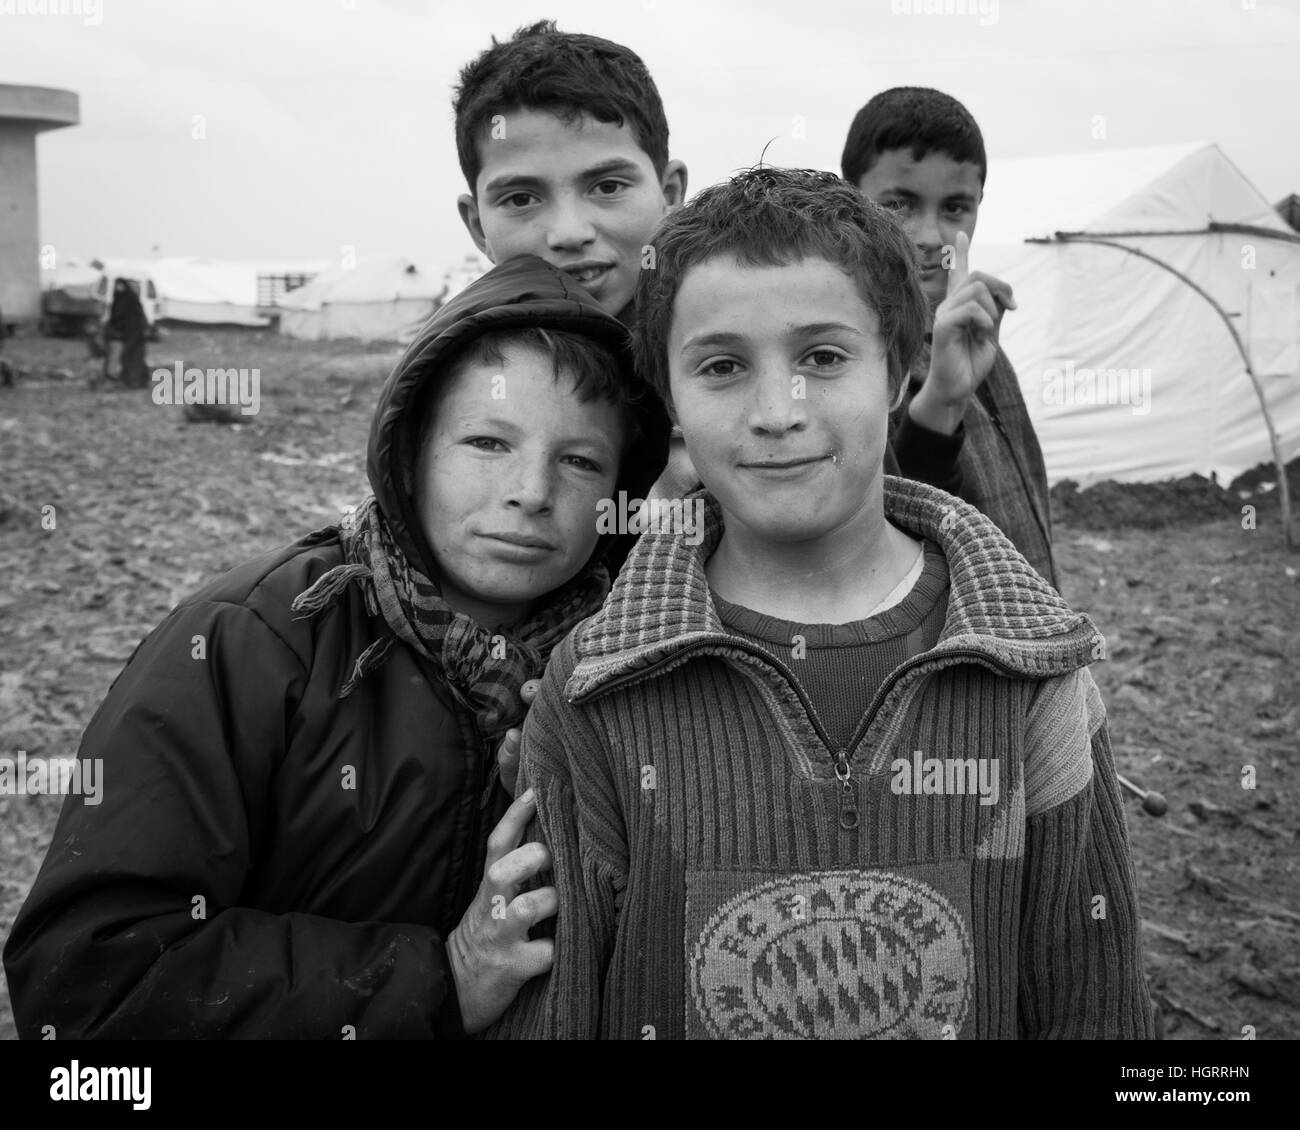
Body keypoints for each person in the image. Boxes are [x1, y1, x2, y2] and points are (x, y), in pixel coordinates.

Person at [489, 168, 1157, 1040]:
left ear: (903, 371)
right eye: (722, 366)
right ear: (672, 401)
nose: (777, 411)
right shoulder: (596, 692)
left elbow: (1092, 999)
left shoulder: (1028, 672)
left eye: (823, 357)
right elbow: (558, 1012)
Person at [3, 255, 670, 1038]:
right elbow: (90, 974)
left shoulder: (632, 666)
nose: (532, 491)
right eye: (488, 443)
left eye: (580, 459)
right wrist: (439, 978)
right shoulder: (251, 643)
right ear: (409, 451)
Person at [453, 19, 698, 509]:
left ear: (669, 194)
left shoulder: (743, 361)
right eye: (521, 198)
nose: (568, 232)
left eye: (607, 187)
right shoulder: (448, 385)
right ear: (477, 225)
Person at [842, 87, 1058, 589]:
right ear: (852, 201)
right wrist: (940, 401)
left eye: (955, 209)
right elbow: (895, 528)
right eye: (899, 205)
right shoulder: (846, 352)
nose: (930, 236)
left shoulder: (982, 342)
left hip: (1030, 622)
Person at [104, 278, 150, 388]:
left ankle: (134, 381)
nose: (118, 288)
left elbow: (134, 319)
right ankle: (127, 379)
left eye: (120, 286)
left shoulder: (130, 301)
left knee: (133, 357)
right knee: (123, 357)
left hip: (133, 335)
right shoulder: (119, 299)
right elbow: (115, 318)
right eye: (117, 286)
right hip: (122, 335)